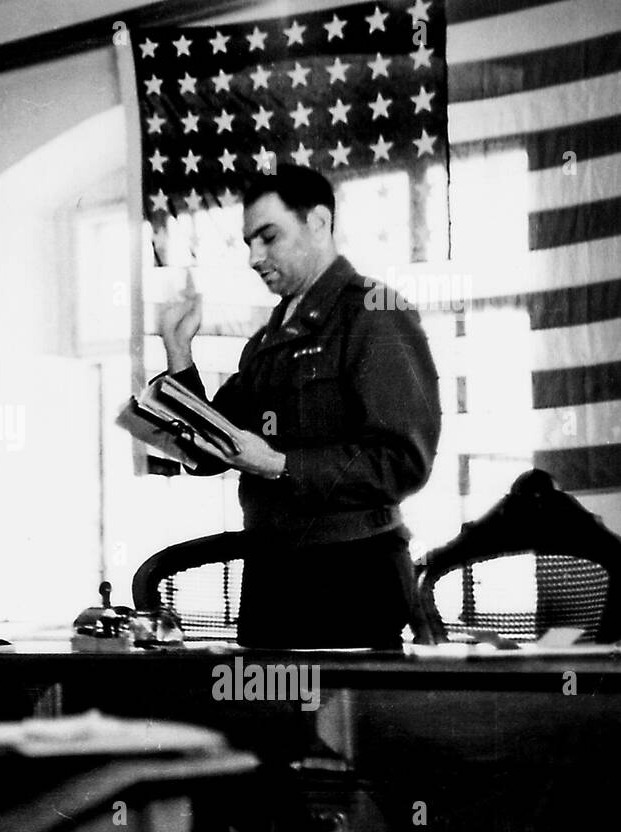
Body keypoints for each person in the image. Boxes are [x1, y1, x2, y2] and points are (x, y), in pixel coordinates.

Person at [159, 165, 442, 649]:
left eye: (268, 237)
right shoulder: (269, 338)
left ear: (318, 223)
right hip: (272, 575)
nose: (254, 256)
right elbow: (208, 451)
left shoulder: (374, 312)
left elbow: (404, 461)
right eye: (248, 241)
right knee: (265, 721)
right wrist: (178, 349)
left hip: (350, 574)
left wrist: (279, 465)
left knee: (339, 723)